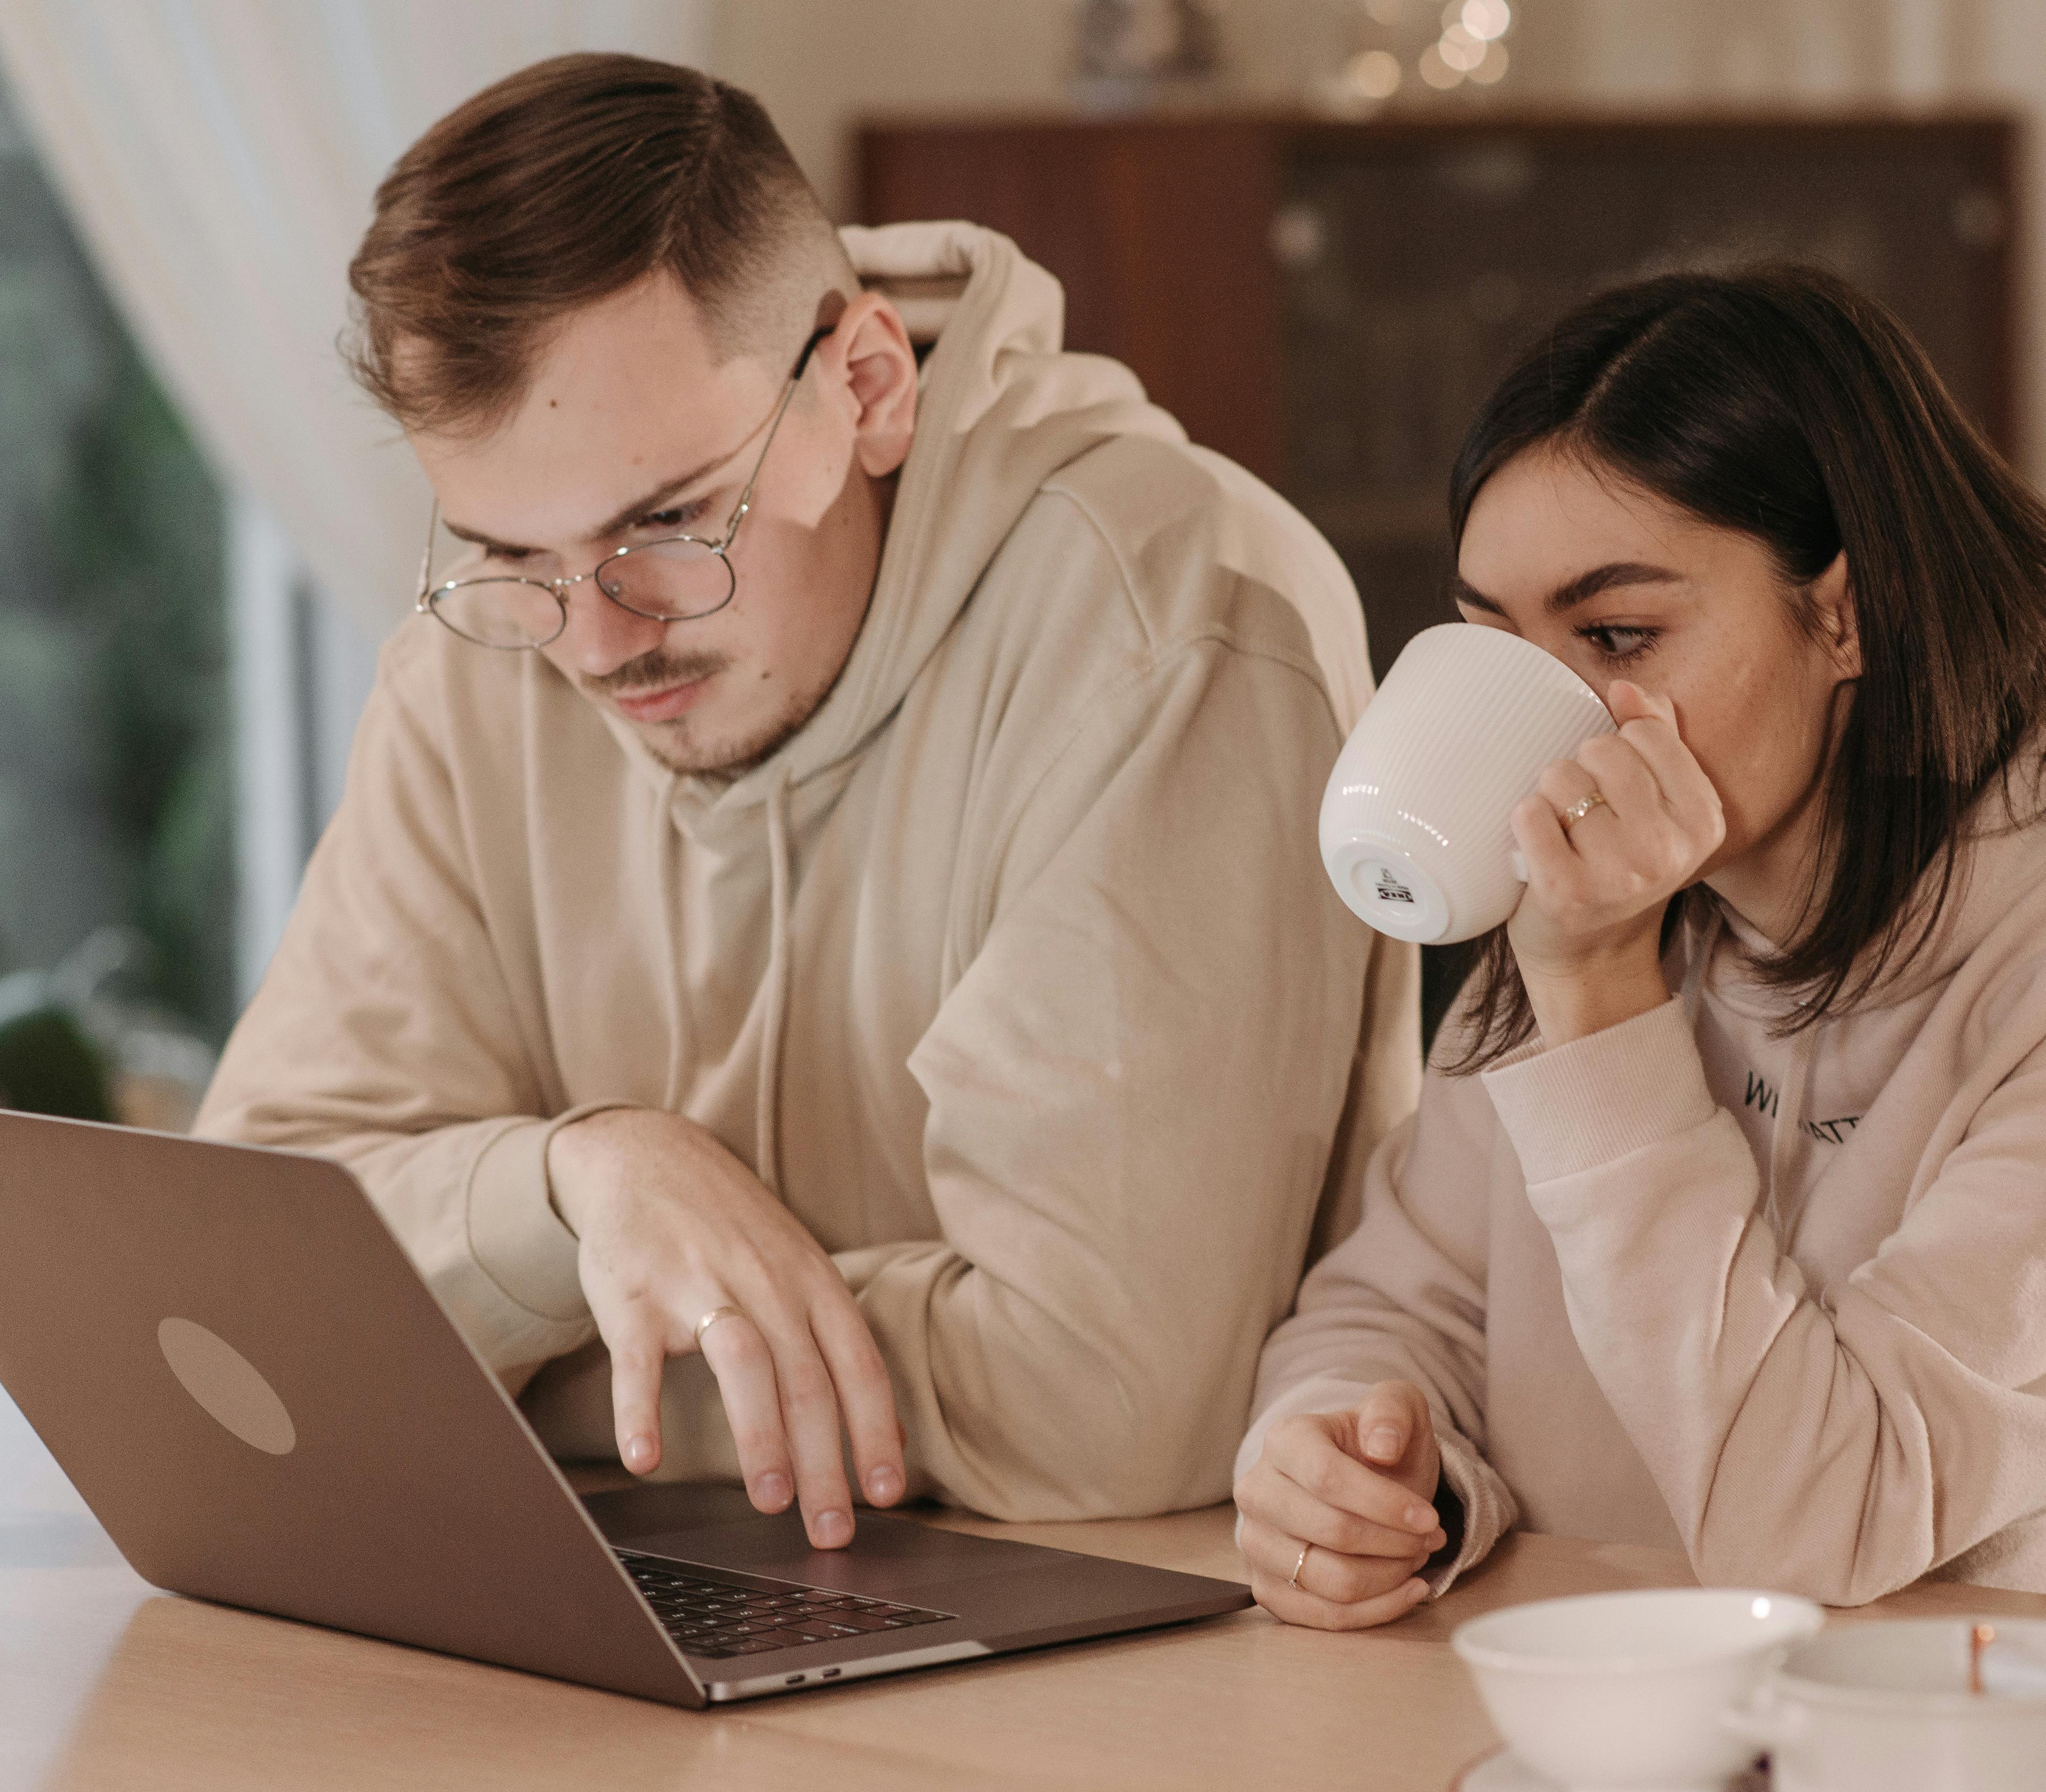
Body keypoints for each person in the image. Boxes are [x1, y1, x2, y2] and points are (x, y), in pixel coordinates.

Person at [196, 55, 1417, 1548]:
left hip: (1125, 1665)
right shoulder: (483, 657)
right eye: (512, 552)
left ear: (867, 386)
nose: (595, 641)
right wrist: (588, 1186)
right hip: (651, 1606)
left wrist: (529, 1339)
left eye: (668, 521)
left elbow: (1106, 1403)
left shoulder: (1174, 623)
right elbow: (246, 1279)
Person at [1234, 267, 2046, 1647]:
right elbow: (1407, 1296)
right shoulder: (1602, 888)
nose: (1551, 715)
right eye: (1496, 641)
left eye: (1618, 635)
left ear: (1844, 613)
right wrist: (1352, 1459)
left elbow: (1826, 1510)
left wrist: (1604, 1007)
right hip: (1788, 1712)